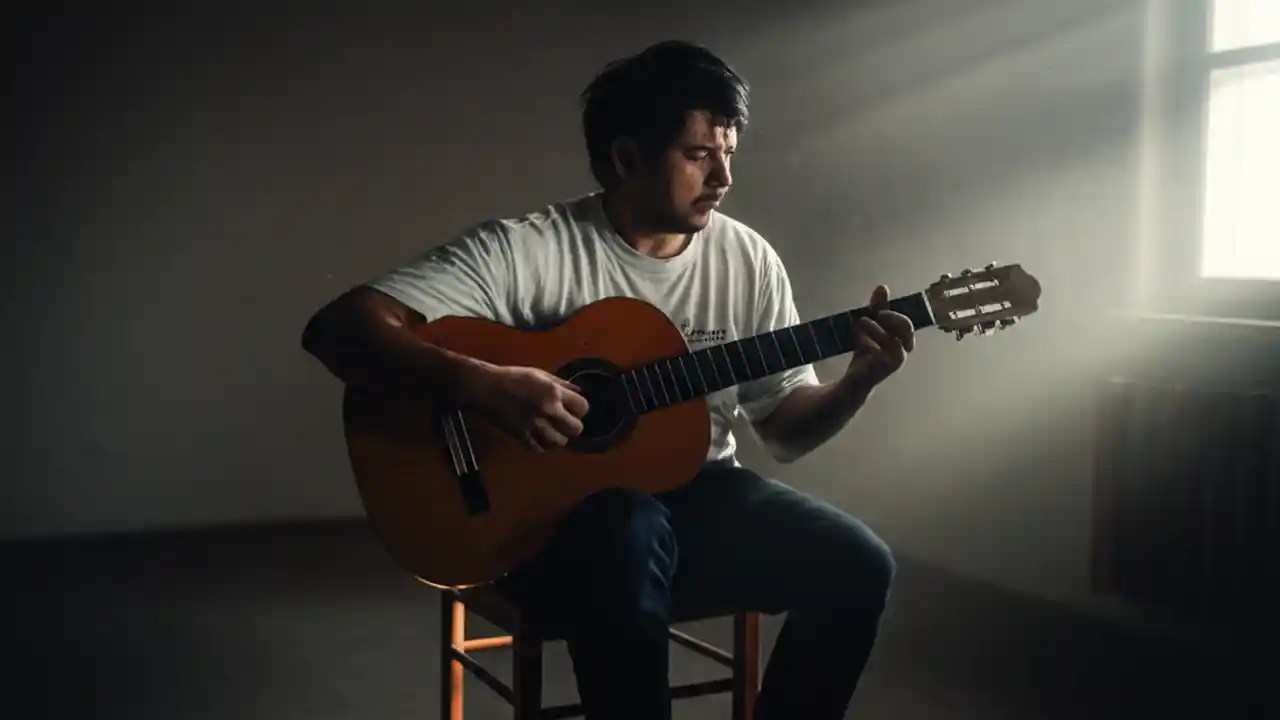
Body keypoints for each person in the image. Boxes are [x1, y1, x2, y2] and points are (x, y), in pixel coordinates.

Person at [302, 39, 916, 720]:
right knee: (627, 524)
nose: (723, 178)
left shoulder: (747, 259)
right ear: (625, 158)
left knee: (861, 565)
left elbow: (784, 431)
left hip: (699, 497)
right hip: (543, 529)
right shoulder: (529, 249)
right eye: (698, 155)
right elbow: (341, 327)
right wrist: (481, 385)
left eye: (728, 154)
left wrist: (856, 382)